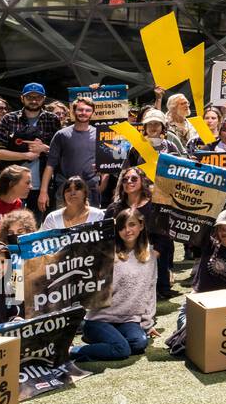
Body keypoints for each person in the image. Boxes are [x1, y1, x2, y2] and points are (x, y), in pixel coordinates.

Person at [71, 208, 158, 363]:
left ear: (141, 225)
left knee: (139, 344)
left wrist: (147, 323)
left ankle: (108, 341)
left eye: (132, 225)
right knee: (121, 350)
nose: (127, 230)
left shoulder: (150, 255)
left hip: (128, 320)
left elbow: (150, 289)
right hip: (100, 318)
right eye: (122, 227)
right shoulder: (108, 252)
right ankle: (72, 351)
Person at [0, 82, 61, 220]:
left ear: (44, 99)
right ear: (22, 98)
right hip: (13, 185)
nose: (34, 101)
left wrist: (45, 149)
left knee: (35, 227)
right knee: (9, 226)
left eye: (38, 97)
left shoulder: (52, 119)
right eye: (30, 97)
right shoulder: (9, 119)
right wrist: (25, 155)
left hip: (41, 186)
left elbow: (61, 153)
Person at [107, 168, 173, 298]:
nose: (129, 182)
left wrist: (152, 257)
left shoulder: (156, 206)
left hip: (151, 255)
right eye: (125, 180)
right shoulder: (113, 209)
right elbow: (107, 237)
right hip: (122, 256)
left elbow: (165, 236)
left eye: (134, 178)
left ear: (143, 181)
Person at [41, 97, 101, 213]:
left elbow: (106, 164)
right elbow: (50, 165)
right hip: (65, 189)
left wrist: (101, 172)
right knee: (64, 227)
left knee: (90, 228)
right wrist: (43, 192)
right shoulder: (61, 135)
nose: (84, 113)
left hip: (90, 189)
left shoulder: (100, 134)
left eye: (88, 110)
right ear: (73, 112)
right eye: (80, 110)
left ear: (92, 113)